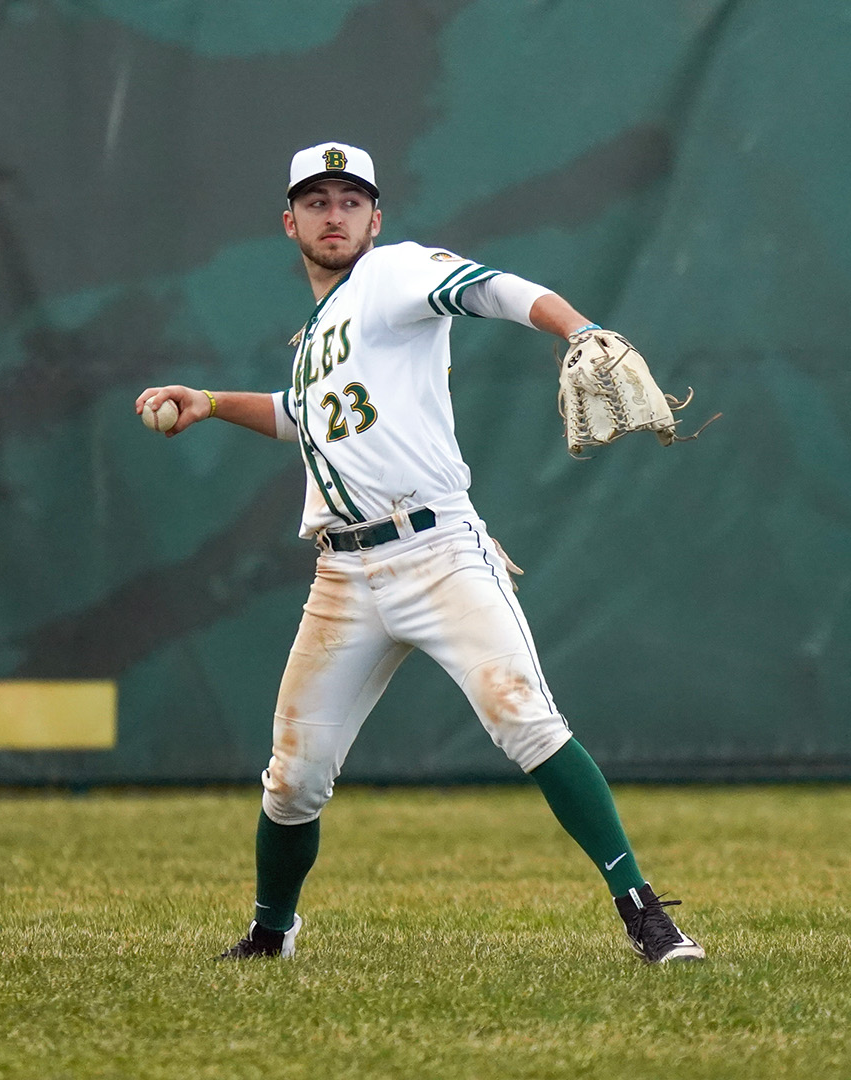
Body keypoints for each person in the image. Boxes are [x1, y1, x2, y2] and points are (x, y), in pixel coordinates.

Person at [135, 142, 704, 964]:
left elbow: (493, 288)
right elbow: (307, 416)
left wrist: (579, 328)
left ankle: (646, 916)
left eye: (351, 200)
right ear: (289, 220)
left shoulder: (395, 273)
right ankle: (270, 934)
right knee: (294, 781)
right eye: (318, 200)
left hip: (436, 550)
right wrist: (214, 402)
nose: (335, 214)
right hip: (344, 573)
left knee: (524, 718)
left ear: (376, 217)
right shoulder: (317, 333)